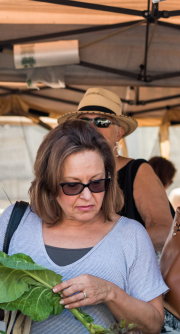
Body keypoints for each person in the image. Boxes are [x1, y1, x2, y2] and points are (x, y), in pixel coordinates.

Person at [0, 120, 167, 334]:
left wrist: (110, 293)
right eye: (72, 185)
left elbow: (153, 325)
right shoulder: (15, 222)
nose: (87, 196)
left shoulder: (131, 235)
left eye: (97, 183)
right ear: (49, 185)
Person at [58, 89, 173, 251]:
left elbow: (165, 231)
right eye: (84, 122)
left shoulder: (138, 171)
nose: (91, 127)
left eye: (102, 122)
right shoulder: (62, 170)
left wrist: (108, 249)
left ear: (119, 133)